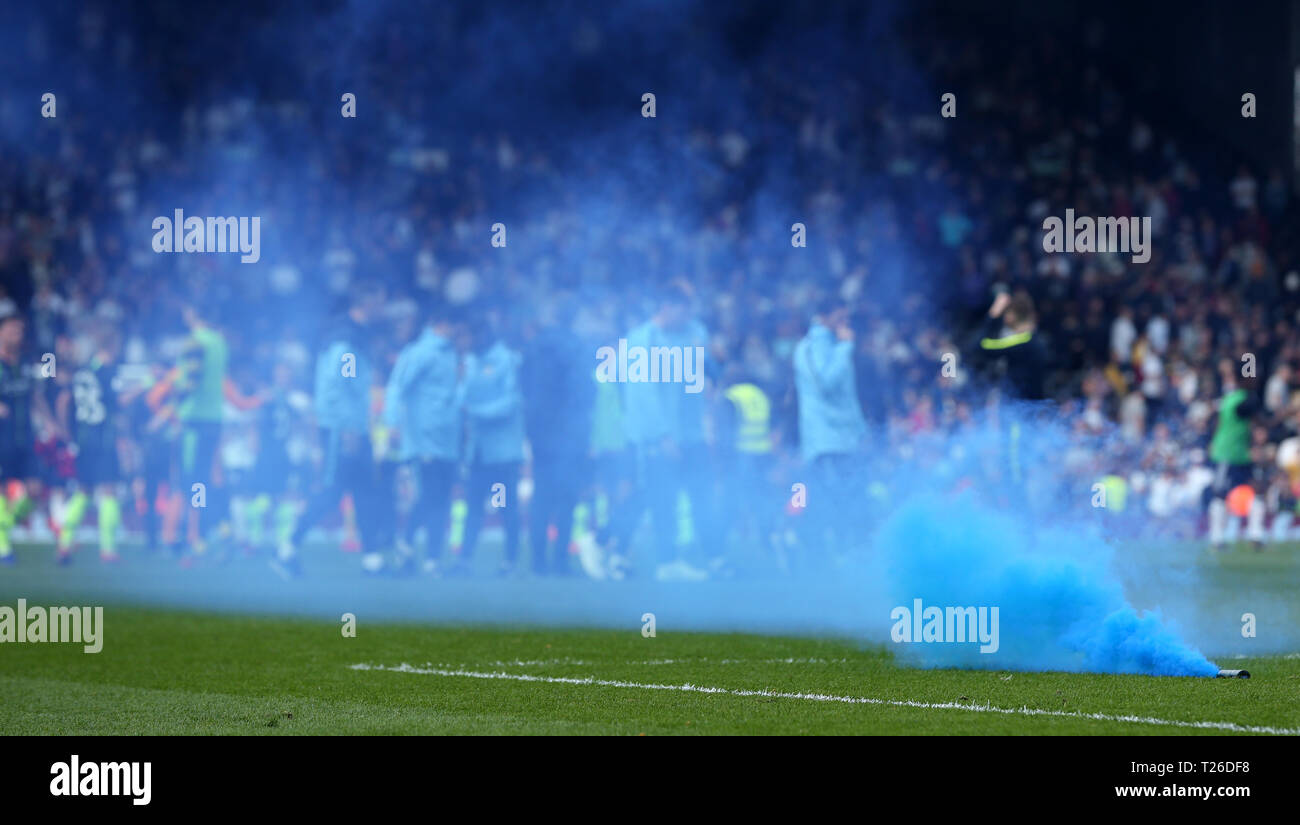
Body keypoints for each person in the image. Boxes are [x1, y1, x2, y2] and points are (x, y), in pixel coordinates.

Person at [276, 284, 385, 577]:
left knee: (365, 492)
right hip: (343, 429)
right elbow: (340, 387)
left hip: (354, 427)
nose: (383, 308)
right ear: (367, 301)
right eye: (380, 300)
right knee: (331, 492)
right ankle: (287, 546)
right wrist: (348, 428)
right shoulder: (346, 341)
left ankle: (372, 559)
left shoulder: (351, 337)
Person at [614, 281, 714, 581]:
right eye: (684, 311)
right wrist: (661, 435)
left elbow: (701, 376)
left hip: (687, 434)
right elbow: (643, 394)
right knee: (654, 494)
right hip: (651, 436)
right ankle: (617, 546)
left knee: (681, 493)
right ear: (666, 308)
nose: (688, 318)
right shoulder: (640, 340)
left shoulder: (691, 334)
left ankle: (620, 552)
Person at [383, 299, 463, 575]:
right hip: (425, 439)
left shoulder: (449, 354)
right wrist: (392, 423)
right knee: (430, 497)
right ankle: (406, 545)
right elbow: (396, 388)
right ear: (443, 324)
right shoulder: (420, 352)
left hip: (447, 441)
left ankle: (430, 559)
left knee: (441, 499)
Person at [521, 296, 592, 576]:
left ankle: (538, 561)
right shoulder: (576, 347)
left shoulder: (534, 346)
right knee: (566, 498)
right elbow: (584, 393)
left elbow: (524, 386)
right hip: (568, 435)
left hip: (540, 433)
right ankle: (560, 561)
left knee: (541, 497)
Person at [792, 301, 867, 565]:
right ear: (824, 316)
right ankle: (808, 549)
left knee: (845, 496)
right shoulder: (814, 346)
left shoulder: (830, 345)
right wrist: (846, 347)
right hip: (827, 439)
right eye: (840, 317)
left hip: (842, 438)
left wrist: (860, 430)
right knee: (831, 498)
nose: (845, 324)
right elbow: (826, 383)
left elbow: (846, 397)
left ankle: (840, 552)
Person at [455, 308, 525, 576]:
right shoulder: (471, 361)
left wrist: (475, 412)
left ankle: (509, 563)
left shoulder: (506, 360)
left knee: (506, 508)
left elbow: (511, 403)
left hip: (502, 454)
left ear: (480, 334)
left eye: (467, 336)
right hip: (478, 453)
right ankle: (464, 562)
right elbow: (462, 396)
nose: (465, 342)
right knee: (473, 507)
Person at [0, 312, 53, 565]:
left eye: (20, 331)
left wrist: (51, 422)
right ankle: (3, 547)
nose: (17, 335)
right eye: (12, 330)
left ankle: (5, 526)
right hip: (2, 439)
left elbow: (37, 397)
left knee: (35, 491)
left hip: (25, 438)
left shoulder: (25, 364)